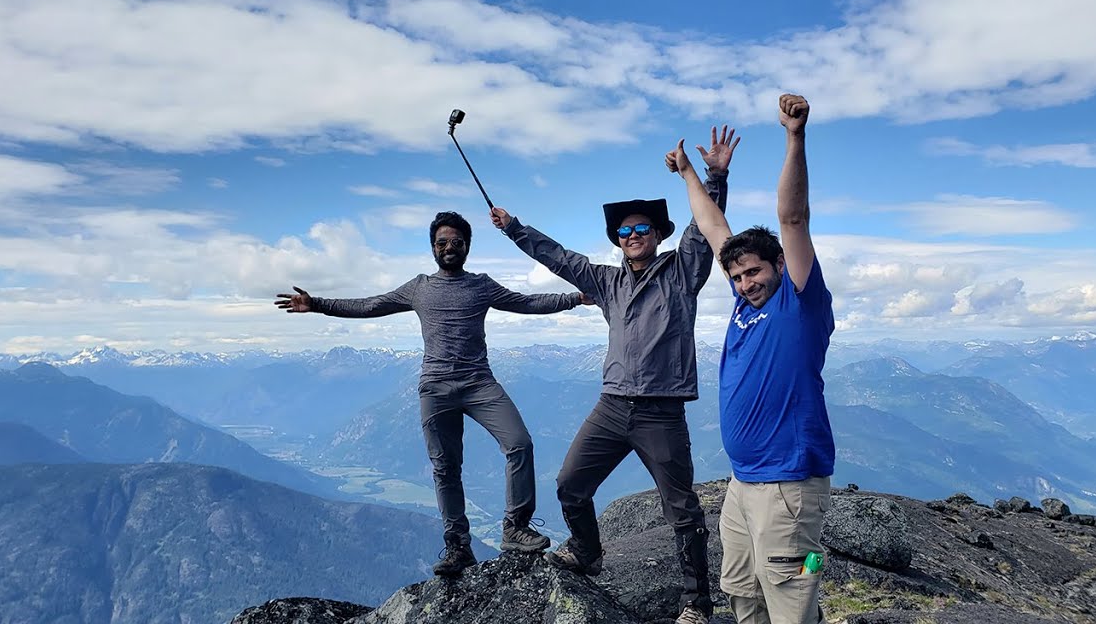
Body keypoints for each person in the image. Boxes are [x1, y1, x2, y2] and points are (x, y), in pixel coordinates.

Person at [489, 131, 739, 624]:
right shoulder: (605, 281)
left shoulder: (683, 270)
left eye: (641, 227)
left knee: (682, 512)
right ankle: (588, 552)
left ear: (658, 233)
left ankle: (697, 603)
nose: (632, 236)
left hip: (661, 412)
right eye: (624, 232)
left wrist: (715, 175)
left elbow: (706, 226)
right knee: (569, 485)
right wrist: (515, 228)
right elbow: (559, 258)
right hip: (611, 406)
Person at [275, 211, 588, 576]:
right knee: (445, 469)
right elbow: (370, 305)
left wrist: (575, 298)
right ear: (433, 248)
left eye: (456, 242)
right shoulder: (418, 287)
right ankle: (458, 547)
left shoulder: (482, 286)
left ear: (467, 247)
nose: (449, 247)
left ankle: (515, 528)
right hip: (436, 389)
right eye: (442, 242)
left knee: (520, 444)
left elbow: (526, 302)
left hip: (478, 384)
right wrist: (318, 305)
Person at [663, 93, 834, 624]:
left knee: (790, 599)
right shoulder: (744, 300)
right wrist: (691, 172)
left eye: (754, 272)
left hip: (788, 483)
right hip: (744, 482)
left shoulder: (798, 301)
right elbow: (715, 228)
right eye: (737, 276)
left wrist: (794, 137)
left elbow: (794, 216)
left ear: (780, 266)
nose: (745, 282)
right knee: (741, 591)